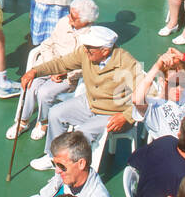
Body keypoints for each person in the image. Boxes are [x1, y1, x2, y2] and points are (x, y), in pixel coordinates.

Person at [25, 25, 140, 166]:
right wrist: (35, 71)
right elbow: (62, 63)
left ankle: (68, 168)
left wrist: (126, 116)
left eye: (89, 48)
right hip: (90, 102)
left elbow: (148, 95)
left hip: (114, 113)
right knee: (55, 113)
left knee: (80, 134)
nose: (85, 49)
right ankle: (52, 157)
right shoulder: (85, 52)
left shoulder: (127, 64)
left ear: (105, 51)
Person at [6, 0, 99, 140]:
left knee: (44, 93)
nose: (69, 18)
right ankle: (23, 122)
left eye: (73, 17)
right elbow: (47, 44)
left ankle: (43, 122)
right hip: (48, 65)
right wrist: (51, 68)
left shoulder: (92, 38)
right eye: (69, 13)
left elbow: (88, 66)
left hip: (68, 76)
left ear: (87, 21)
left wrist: (66, 73)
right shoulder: (63, 23)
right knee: (31, 85)